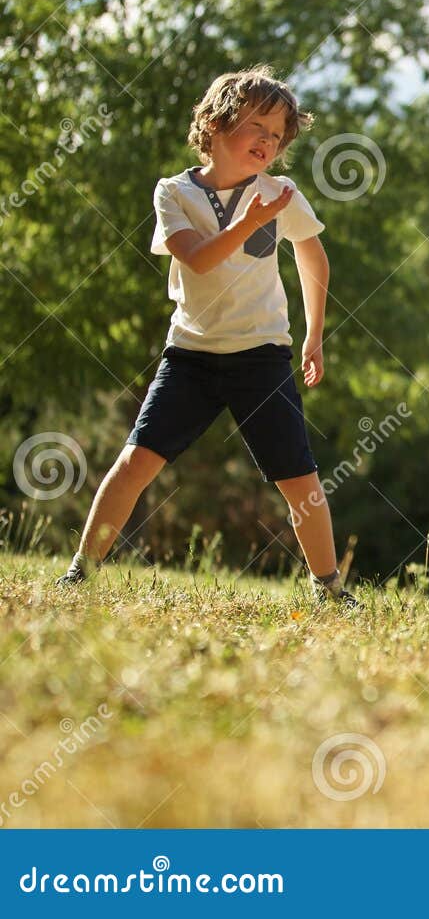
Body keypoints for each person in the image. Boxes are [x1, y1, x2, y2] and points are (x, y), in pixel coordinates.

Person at [57, 65, 355, 606]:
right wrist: (249, 222)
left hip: (262, 356)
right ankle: (83, 570)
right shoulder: (173, 193)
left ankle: (330, 589)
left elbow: (313, 258)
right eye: (257, 126)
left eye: (278, 133)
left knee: (300, 480)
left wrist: (314, 336)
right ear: (216, 125)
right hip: (190, 355)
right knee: (135, 462)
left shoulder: (280, 193)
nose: (268, 141)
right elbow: (196, 259)